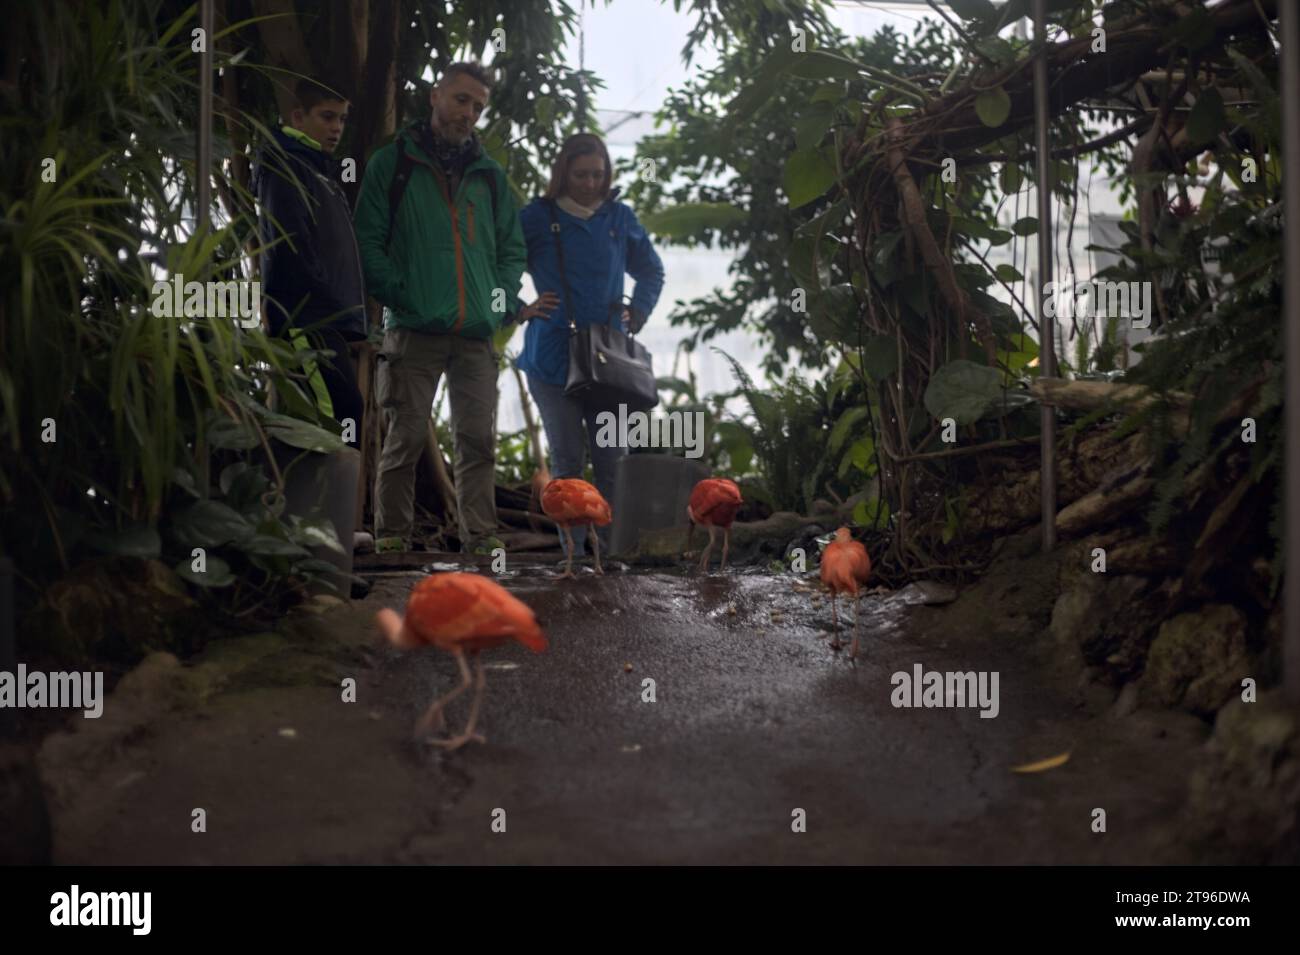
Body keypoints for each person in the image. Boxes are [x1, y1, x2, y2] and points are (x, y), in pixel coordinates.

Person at [354, 62, 527, 556]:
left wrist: (497, 304)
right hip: (412, 329)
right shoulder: (394, 163)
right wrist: (401, 294)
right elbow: (367, 240)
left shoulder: (491, 176)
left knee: (477, 441)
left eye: (477, 106)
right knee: (403, 439)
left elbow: (511, 251)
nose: (468, 113)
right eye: (461, 100)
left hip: (475, 334)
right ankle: (392, 539)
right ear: (435, 96)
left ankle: (481, 539)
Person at [514, 133, 666, 561]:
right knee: (566, 462)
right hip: (551, 359)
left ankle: (612, 558)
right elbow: (500, 262)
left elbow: (651, 271)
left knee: (612, 461)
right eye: (580, 174)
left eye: (597, 175)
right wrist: (518, 307)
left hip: (609, 363)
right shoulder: (535, 216)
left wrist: (635, 313)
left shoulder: (619, 217)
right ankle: (573, 560)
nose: (589, 183)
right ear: (563, 172)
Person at [252, 76, 367, 449]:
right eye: (327, 117)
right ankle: (318, 508)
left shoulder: (320, 170)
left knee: (344, 416)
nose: (336, 128)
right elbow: (288, 244)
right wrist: (324, 301)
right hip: (306, 316)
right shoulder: (285, 166)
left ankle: (330, 508)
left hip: (325, 317)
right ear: (298, 117)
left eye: (343, 120)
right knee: (332, 421)